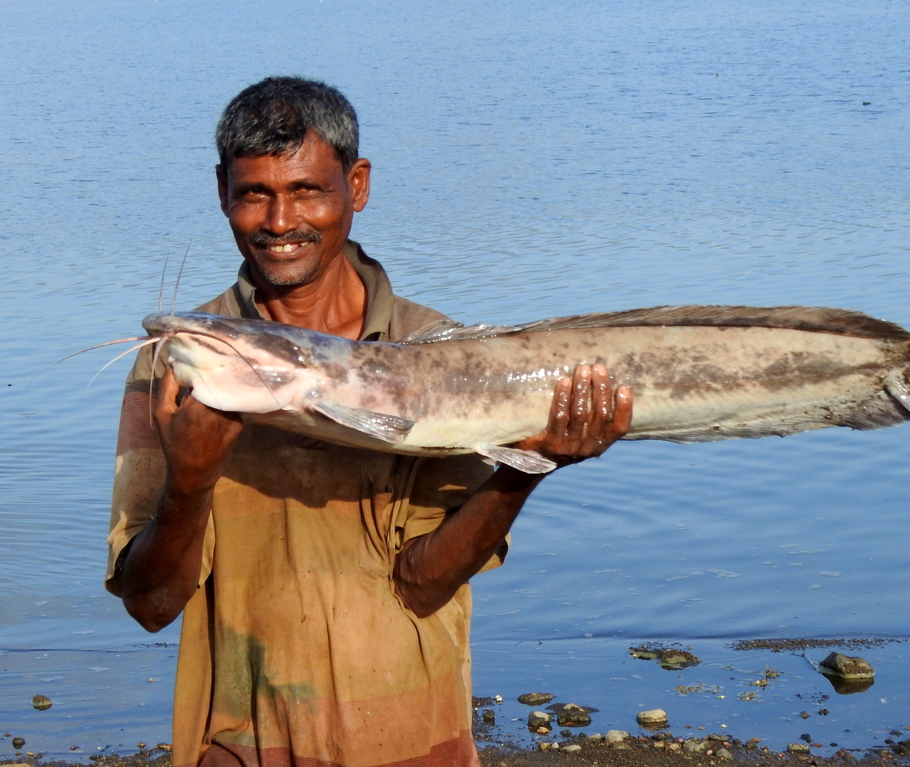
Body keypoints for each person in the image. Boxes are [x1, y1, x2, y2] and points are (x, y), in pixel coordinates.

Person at [106, 76, 632, 767]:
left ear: (356, 185)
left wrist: (529, 464)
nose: (279, 221)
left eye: (306, 191)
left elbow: (424, 581)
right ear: (222, 192)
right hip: (241, 745)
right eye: (254, 193)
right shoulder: (183, 369)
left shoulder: (440, 356)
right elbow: (150, 604)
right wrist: (190, 479)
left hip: (417, 739)